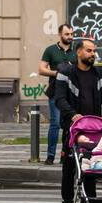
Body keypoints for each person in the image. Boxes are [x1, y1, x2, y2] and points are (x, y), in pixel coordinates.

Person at [53, 36, 102, 203]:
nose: (92, 54)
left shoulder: (100, 74)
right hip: (73, 128)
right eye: (89, 50)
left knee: (90, 166)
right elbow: (60, 99)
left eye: (94, 51)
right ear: (78, 52)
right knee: (70, 166)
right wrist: (72, 115)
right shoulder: (66, 73)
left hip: (94, 129)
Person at [39, 23, 75, 164]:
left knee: (69, 125)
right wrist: (58, 73)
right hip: (55, 90)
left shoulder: (76, 50)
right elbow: (41, 69)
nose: (70, 37)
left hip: (72, 92)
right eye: (67, 34)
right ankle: (50, 156)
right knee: (55, 123)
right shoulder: (51, 50)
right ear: (60, 34)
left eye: (71, 34)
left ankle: (65, 155)